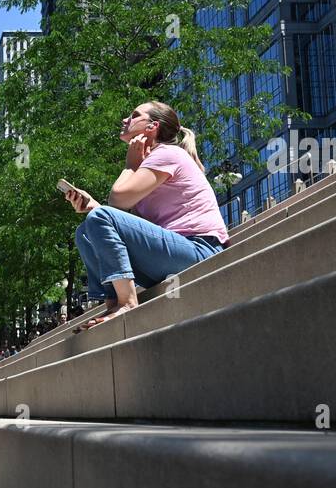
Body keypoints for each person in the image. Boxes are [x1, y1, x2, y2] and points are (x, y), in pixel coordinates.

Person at [64, 101, 227, 330]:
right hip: (171, 255)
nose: (124, 120)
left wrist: (130, 165)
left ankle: (127, 302)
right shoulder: (150, 164)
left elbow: (117, 200)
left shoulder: (167, 154)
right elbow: (134, 227)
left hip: (200, 250)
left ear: (152, 127)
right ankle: (112, 302)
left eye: (133, 115)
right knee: (85, 233)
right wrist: (92, 207)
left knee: (101, 217)